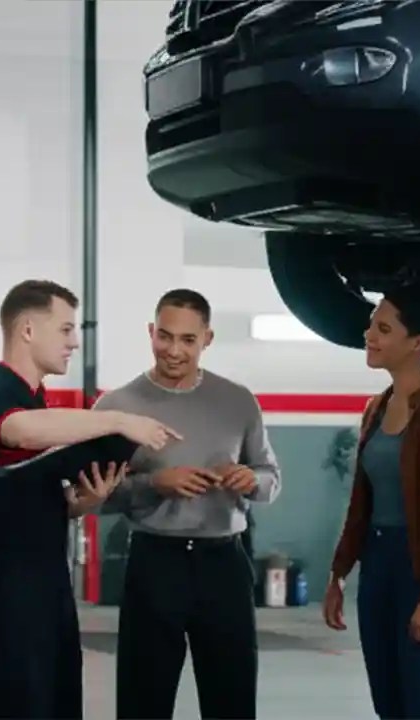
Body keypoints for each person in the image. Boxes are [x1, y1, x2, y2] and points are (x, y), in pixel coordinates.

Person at [0, 279, 181, 720]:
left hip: (47, 588)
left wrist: (81, 504)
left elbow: (20, 491)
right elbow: (21, 430)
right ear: (28, 330)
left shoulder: (36, 403)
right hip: (3, 593)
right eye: (66, 329)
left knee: (57, 704)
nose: (74, 342)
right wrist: (117, 420)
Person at [95, 288, 282, 720]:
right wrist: (154, 483)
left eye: (187, 340)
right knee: (144, 697)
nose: (173, 350)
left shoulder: (238, 401)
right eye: (164, 337)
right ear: (150, 332)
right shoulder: (117, 407)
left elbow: (272, 479)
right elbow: (97, 496)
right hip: (154, 562)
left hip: (225, 565)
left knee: (232, 696)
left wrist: (251, 480)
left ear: (207, 339)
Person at [322, 284, 420, 719]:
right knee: (389, 705)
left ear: (417, 343)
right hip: (380, 566)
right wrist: (339, 572)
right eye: (372, 325)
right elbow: (361, 501)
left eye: (384, 328)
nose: (369, 335)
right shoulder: (376, 408)